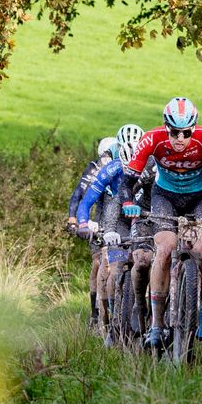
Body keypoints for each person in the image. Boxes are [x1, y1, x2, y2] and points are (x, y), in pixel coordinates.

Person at [119, 97, 202, 350]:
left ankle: (195, 304)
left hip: (198, 199)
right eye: (174, 132)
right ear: (165, 127)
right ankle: (157, 324)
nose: (180, 138)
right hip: (165, 197)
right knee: (166, 248)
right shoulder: (151, 139)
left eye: (186, 133)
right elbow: (128, 180)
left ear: (194, 128)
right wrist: (127, 202)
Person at [77, 124, 153, 343]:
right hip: (118, 220)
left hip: (144, 218)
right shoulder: (111, 169)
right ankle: (113, 321)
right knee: (115, 267)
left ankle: (151, 315)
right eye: (128, 169)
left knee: (152, 261)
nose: (132, 173)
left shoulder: (153, 167)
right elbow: (87, 201)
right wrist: (84, 223)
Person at [67, 136, 117, 329]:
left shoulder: (125, 166)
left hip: (119, 218)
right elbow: (78, 195)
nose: (107, 160)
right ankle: (95, 313)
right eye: (105, 156)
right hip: (99, 219)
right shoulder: (94, 169)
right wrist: (74, 219)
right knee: (99, 261)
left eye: (110, 156)